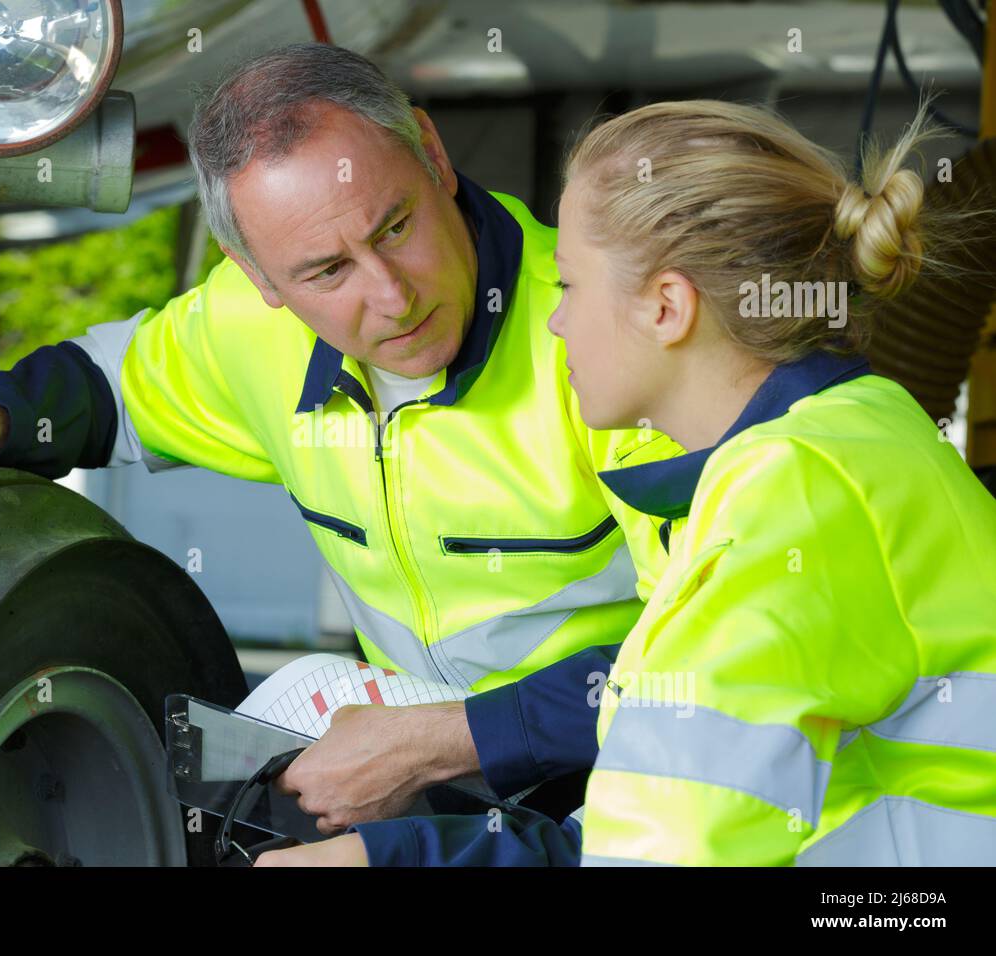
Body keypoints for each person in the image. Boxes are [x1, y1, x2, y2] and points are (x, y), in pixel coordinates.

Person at [0, 43, 679, 832]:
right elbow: (106, 386)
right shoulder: (246, 327)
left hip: (638, 771)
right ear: (257, 276)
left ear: (431, 151)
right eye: (327, 270)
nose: (392, 296)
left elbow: (710, 662)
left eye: (395, 228)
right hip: (437, 759)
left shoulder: (612, 347)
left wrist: (442, 740)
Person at [262, 98, 996, 866]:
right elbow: (657, 817)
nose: (554, 324)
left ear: (666, 307)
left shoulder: (793, 497)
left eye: (570, 285)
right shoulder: (849, 438)